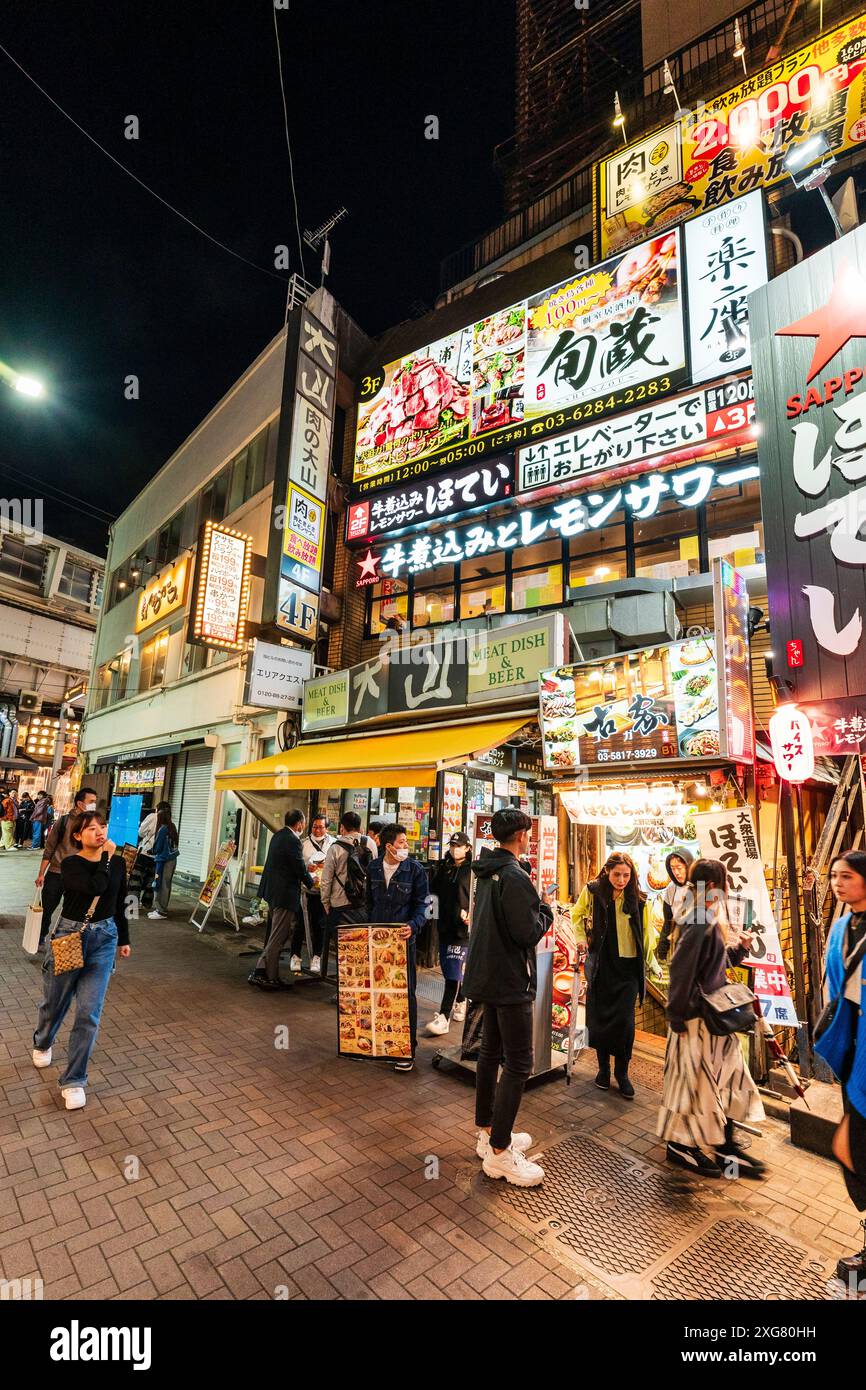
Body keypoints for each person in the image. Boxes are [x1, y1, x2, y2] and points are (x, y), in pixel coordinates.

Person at [462, 808, 553, 1187]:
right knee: (519, 1063)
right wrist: (546, 908)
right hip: (511, 982)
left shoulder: (485, 871)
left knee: (490, 1054)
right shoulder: (514, 876)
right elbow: (526, 932)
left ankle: (488, 1131)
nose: (530, 838)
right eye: (528, 833)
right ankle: (500, 1152)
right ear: (520, 836)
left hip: (486, 976)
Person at [657, 858, 765, 1178]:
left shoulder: (702, 913)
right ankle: (681, 1146)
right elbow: (681, 970)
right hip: (694, 1018)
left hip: (710, 1016)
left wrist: (739, 950)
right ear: (717, 886)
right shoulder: (700, 916)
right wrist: (677, 1015)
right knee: (692, 1085)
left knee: (725, 1079)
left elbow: (711, 967)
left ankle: (724, 1144)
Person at [32, 811, 131, 1110]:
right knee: (56, 1001)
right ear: (77, 836)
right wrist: (108, 858)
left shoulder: (117, 863)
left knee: (89, 1012)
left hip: (104, 940)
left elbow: (121, 899)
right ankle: (43, 1040)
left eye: (102, 826)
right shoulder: (71, 863)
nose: (99, 832)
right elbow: (94, 887)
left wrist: (124, 938)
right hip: (69, 936)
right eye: (91, 829)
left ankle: (74, 1079)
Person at [574, 851, 660, 1099]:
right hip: (601, 964)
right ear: (607, 872)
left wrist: (650, 963)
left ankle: (622, 1073)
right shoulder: (592, 891)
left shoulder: (640, 899)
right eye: (616, 874)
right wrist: (580, 940)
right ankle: (603, 1070)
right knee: (600, 1020)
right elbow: (576, 914)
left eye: (626, 875)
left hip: (628, 970)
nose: (621, 880)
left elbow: (646, 936)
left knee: (624, 1023)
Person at [821, 852, 866, 1283]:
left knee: (855, 1146)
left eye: (846, 877)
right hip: (852, 1048)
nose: (837, 883)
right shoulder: (839, 927)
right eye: (834, 876)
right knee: (850, 1147)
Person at [366, 824, 430, 1072]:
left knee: (404, 995)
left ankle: (406, 1050)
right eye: (402, 842)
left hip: (404, 942)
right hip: (377, 940)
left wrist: (413, 926)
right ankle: (381, 1042)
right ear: (389, 846)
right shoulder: (372, 867)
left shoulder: (415, 870)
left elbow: (424, 906)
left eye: (405, 842)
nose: (406, 846)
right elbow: (368, 902)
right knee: (378, 992)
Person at [248, 810, 313, 991]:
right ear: (299, 823)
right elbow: (297, 867)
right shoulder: (293, 840)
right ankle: (264, 974)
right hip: (284, 894)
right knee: (278, 936)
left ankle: (267, 974)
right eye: (304, 823)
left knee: (277, 933)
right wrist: (310, 881)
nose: (304, 826)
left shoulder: (278, 835)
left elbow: (285, 863)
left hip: (273, 891)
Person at [35, 787, 98, 945]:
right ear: (80, 803)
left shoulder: (94, 824)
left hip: (79, 876)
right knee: (47, 910)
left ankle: (64, 941)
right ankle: (39, 937)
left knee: (73, 913)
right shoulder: (63, 821)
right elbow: (49, 849)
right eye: (91, 802)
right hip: (56, 873)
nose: (94, 805)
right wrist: (41, 874)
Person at [426, 832, 472, 1036]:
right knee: (451, 968)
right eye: (452, 846)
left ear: (468, 848)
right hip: (444, 927)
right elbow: (433, 893)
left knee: (453, 971)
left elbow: (477, 897)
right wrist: (432, 916)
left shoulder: (473, 871)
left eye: (459, 846)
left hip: (463, 930)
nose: (455, 849)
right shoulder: (443, 868)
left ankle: (444, 1016)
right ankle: (461, 1000)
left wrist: (472, 914)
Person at [291, 814, 334, 974]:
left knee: (320, 925)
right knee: (300, 925)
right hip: (305, 890)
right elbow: (296, 864)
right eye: (315, 826)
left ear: (327, 828)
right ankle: (295, 956)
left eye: (321, 827)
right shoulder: (302, 844)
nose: (317, 830)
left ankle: (317, 957)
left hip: (324, 892)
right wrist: (306, 867)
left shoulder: (333, 843)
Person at [657, 849, 694, 962]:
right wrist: (662, 948)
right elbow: (668, 921)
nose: (676, 872)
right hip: (677, 944)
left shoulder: (699, 886)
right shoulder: (671, 889)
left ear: (688, 867)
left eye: (679, 868)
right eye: (672, 868)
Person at [147, 807, 179, 920]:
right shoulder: (172, 827)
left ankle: (161, 911)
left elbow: (157, 847)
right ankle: (160, 909)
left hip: (163, 861)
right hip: (172, 859)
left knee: (159, 884)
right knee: (166, 885)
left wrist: (151, 851)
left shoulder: (163, 829)